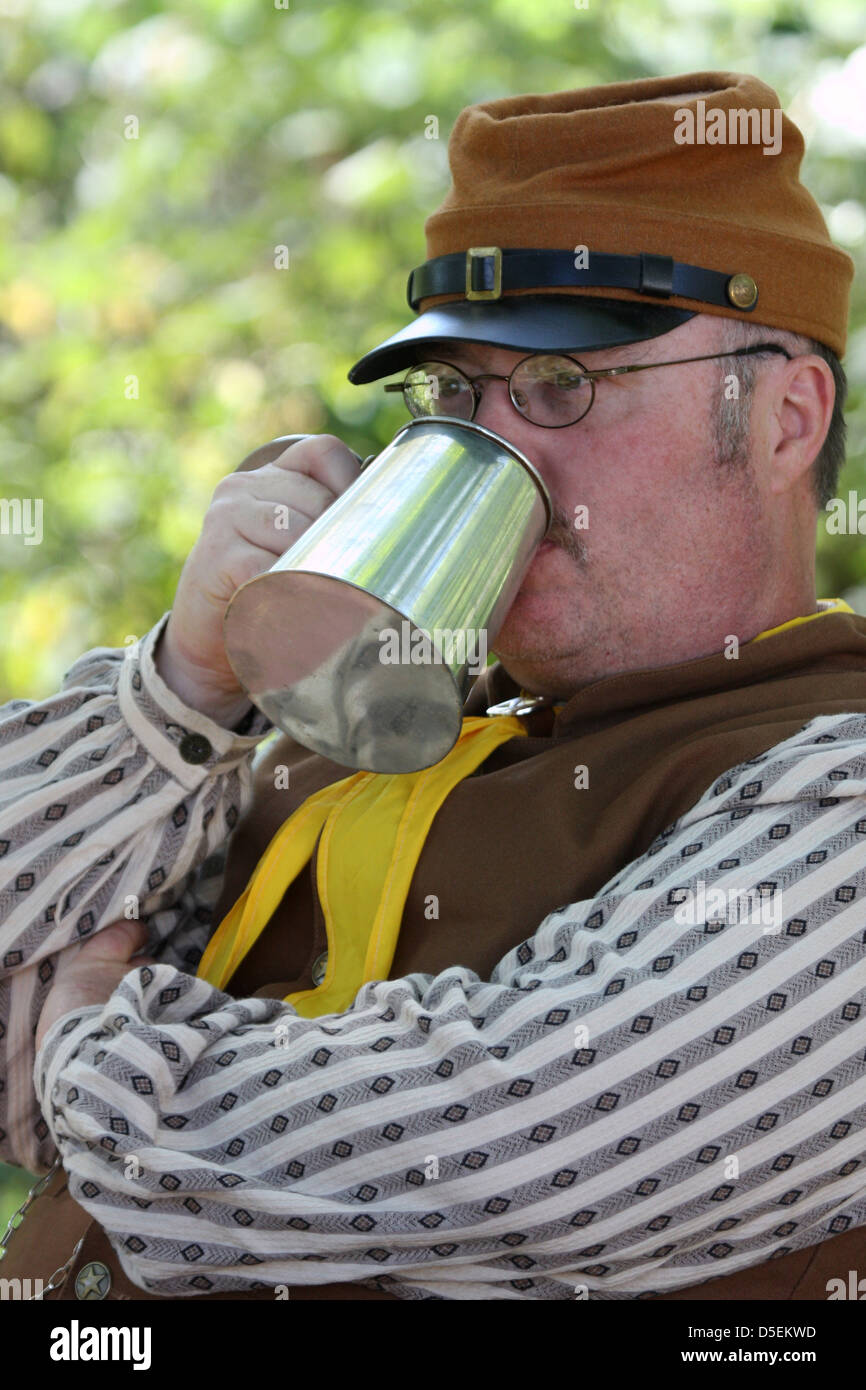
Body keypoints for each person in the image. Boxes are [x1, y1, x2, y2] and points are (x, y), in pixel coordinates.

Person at [1, 69, 865, 1303]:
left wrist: (90, 1051)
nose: (494, 445)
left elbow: (513, 1154)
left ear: (783, 419)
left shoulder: (831, 781)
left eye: (562, 387)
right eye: (456, 393)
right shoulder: (358, 713)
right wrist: (180, 689)